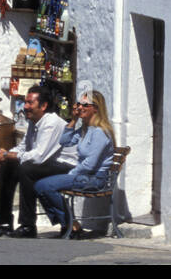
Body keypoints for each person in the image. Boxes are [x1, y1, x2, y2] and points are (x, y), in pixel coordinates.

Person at [0, 84, 72, 238]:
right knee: (10, 164)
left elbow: (39, 156)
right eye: (25, 102)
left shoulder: (51, 123)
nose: (25, 106)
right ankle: (3, 221)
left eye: (30, 103)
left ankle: (28, 225)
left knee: (26, 169)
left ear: (44, 105)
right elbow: (23, 148)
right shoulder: (34, 122)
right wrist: (5, 154)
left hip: (67, 165)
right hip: (48, 163)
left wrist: (7, 155)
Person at [35, 90, 116, 237]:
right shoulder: (85, 129)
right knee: (40, 185)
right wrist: (73, 120)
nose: (80, 107)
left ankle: (69, 225)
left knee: (45, 186)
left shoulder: (99, 132)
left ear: (96, 109)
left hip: (95, 178)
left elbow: (90, 164)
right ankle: (71, 225)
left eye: (85, 105)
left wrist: (71, 174)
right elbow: (64, 141)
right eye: (79, 104)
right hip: (84, 175)